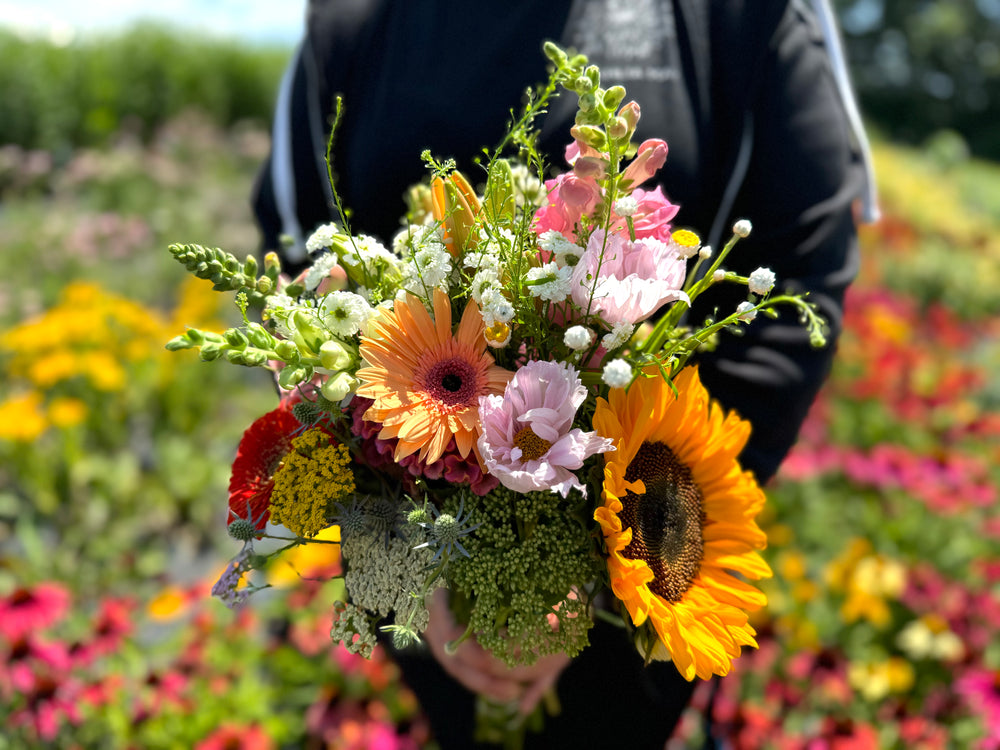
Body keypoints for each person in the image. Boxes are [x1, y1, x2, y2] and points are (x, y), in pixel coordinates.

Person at [251, 1, 877, 747]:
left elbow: (799, 279)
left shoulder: (744, 17)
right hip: (409, 554)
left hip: (641, 580)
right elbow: (296, 281)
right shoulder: (353, 19)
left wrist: (606, 574)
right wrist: (409, 563)